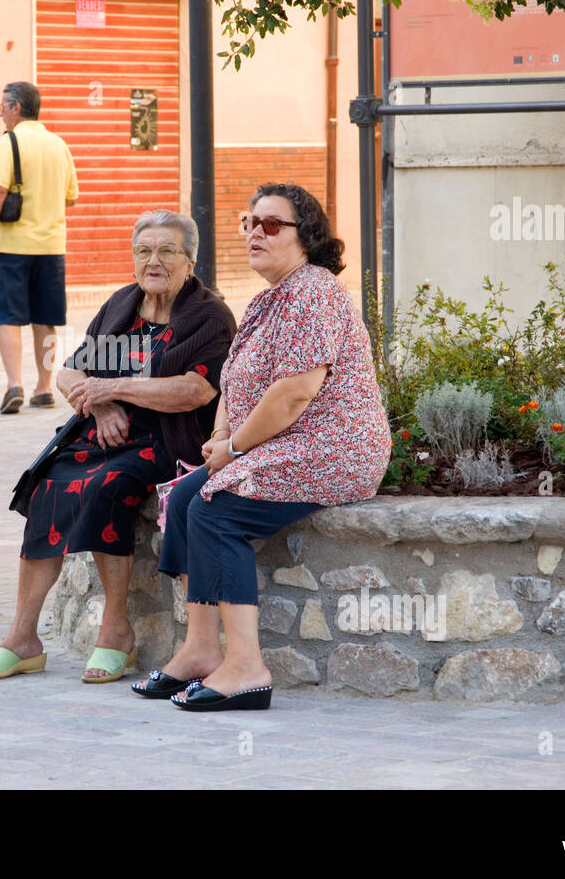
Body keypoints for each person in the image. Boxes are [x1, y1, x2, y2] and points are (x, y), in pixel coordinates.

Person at [132, 183, 390, 711]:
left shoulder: (314, 291)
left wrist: (236, 448)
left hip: (330, 448)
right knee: (182, 500)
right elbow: (234, 379)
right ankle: (202, 650)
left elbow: (294, 393)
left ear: (306, 236)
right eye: (249, 221)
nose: (255, 232)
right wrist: (223, 437)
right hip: (275, 446)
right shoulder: (267, 299)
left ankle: (247, 668)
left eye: (271, 224)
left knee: (215, 509)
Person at [0, 210, 236, 682]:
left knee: (104, 488)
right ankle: (22, 636)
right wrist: (98, 406)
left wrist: (113, 390)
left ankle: (116, 631)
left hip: (167, 439)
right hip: (104, 432)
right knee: (46, 483)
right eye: (143, 250)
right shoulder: (121, 304)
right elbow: (70, 372)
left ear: (190, 260)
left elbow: (194, 391)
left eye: (167, 250)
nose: (153, 260)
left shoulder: (208, 316)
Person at [0, 81, 79, 415]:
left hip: (13, 246)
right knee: (45, 318)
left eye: (2, 105)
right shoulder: (58, 144)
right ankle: (44, 388)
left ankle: (13, 385)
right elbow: (71, 196)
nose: (0, 112)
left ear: (16, 108)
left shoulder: (10, 142)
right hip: (51, 246)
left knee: (8, 316)